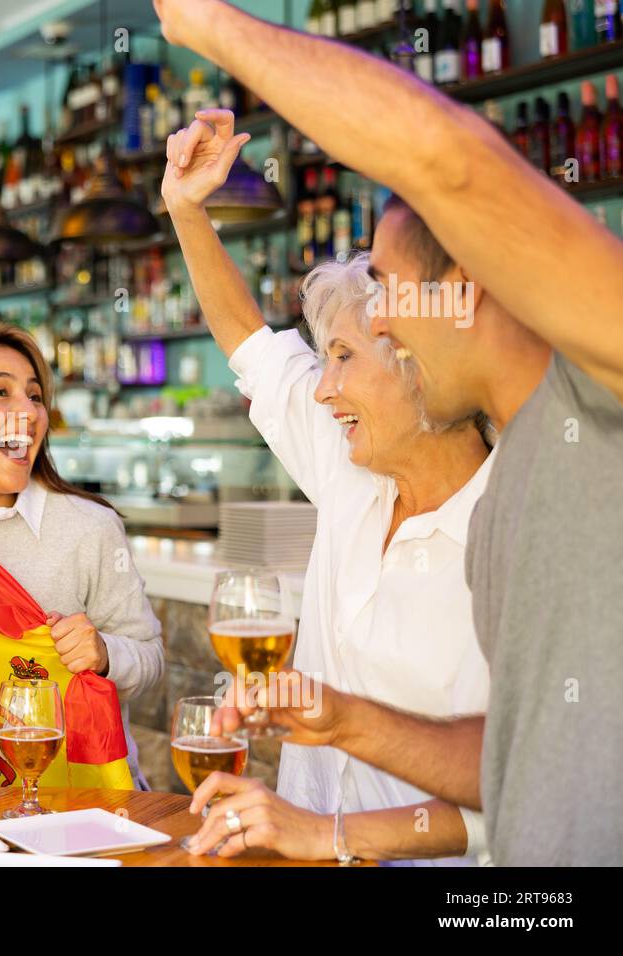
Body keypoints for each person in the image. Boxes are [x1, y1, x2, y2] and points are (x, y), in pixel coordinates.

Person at [153, 0, 623, 864]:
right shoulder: (387, 468)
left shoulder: (580, 429)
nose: (382, 321)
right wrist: (343, 722)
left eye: (389, 294)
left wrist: (211, 24)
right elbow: (513, 754)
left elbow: (451, 163)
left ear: (464, 290)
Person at [160, 113, 492, 864]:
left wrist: (332, 837)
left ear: (419, 361)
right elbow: (249, 343)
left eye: (341, 357)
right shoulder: (352, 467)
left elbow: (524, 786)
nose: (321, 388)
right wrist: (185, 207)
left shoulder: (511, 530)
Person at [0, 324, 164, 787]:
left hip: (74, 797)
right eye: (0, 392)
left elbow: (151, 657)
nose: (30, 411)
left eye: (35, 396)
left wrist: (104, 653)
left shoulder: (89, 526)